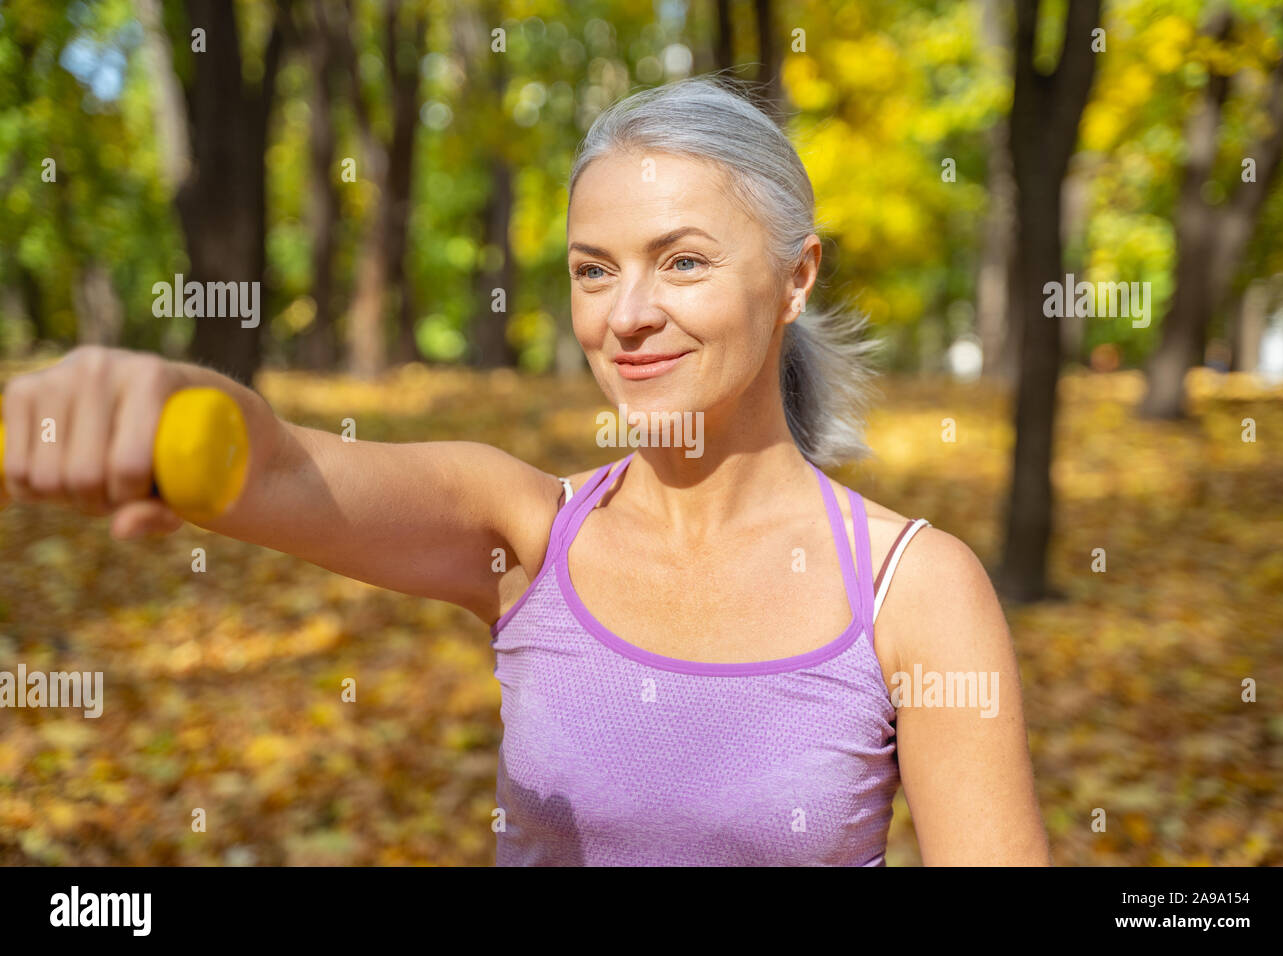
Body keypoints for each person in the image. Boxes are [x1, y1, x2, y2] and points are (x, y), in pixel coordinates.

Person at [0, 76, 1049, 866]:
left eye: (681, 260)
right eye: (594, 270)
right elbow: (279, 465)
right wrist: (160, 407)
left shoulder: (912, 586)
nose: (625, 315)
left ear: (794, 276)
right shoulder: (523, 529)